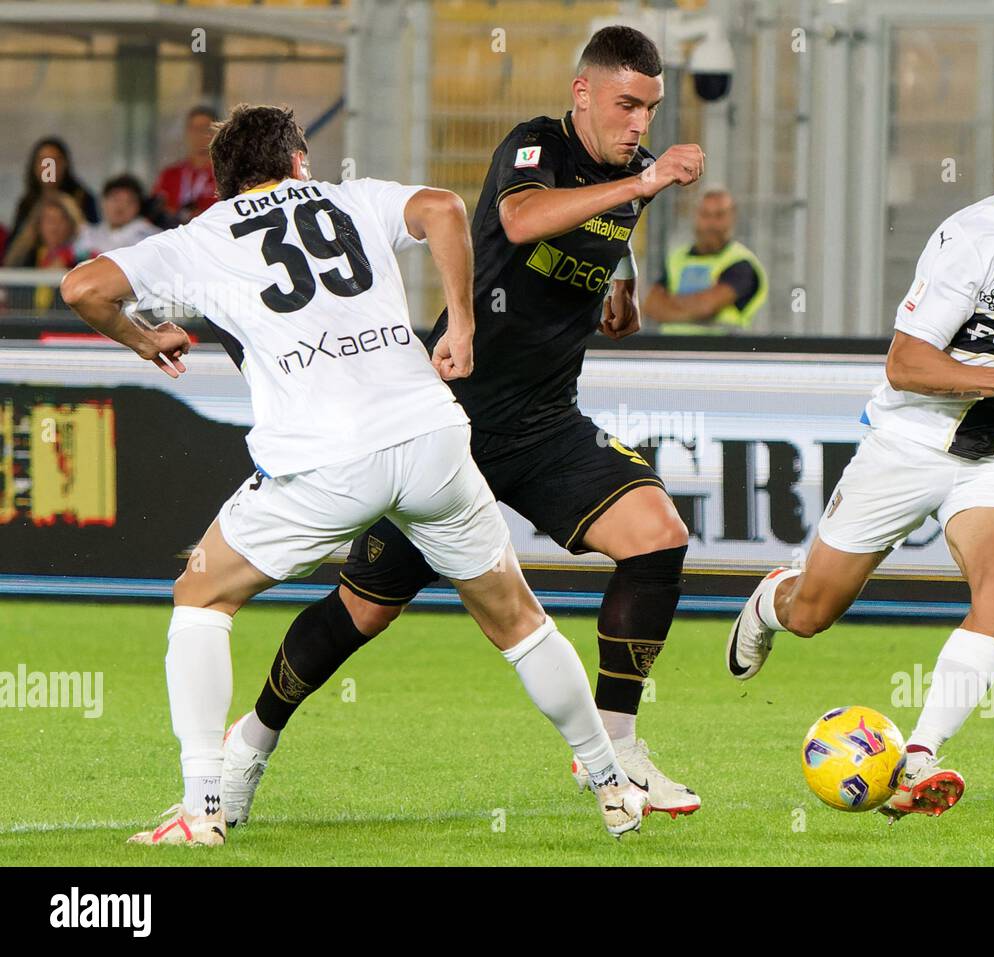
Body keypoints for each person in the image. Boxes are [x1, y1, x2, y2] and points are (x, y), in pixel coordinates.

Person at [59, 103, 647, 846]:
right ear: (299, 160)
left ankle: (201, 805)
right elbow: (441, 208)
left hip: (328, 458)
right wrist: (460, 325)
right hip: (433, 436)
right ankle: (611, 784)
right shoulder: (348, 197)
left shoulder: (200, 237)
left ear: (222, 182)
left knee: (200, 593)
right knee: (517, 618)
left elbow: (83, 288)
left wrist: (142, 339)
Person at [220, 25, 707, 825]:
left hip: (547, 423)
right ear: (582, 91)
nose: (638, 124)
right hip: (452, 423)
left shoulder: (623, 172)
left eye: (650, 109)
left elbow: (596, 231)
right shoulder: (534, 147)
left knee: (656, 537)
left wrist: (620, 282)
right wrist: (646, 182)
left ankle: (621, 746)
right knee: (363, 609)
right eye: (626, 104)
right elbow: (520, 222)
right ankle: (249, 745)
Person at [726, 86, 994, 821]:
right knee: (815, 612)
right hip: (911, 442)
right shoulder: (971, 238)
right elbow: (904, 362)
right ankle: (770, 599)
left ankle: (918, 757)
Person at [644, 188, 767, 334]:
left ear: (732, 218)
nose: (711, 223)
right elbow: (651, 306)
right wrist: (695, 308)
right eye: (705, 215)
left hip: (720, 352)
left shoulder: (741, 263)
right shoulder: (676, 258)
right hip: (674, 353)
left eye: (719, 215)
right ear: (695, 216)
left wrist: (669, 306)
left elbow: (705, 307)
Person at [9, 136, 99, 239]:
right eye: (43, 161)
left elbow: (95, 240)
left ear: (65, 164)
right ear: (34, 166)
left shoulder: (83, 198)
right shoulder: (27, 203)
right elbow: (13, 247)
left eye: (54, 161)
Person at [152, 105, 220, 224]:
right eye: (194, 128)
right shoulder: (170, 174)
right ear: (187, 132)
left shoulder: (225, 175)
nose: (200, 134)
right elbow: (155, 210)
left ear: (217, 132)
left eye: (206, 128)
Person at [75, 174, 161, 257]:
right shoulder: (89, 233)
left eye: (129, 202)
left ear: (138, 207)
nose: (120, 206)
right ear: (103, 202)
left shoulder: (150, 237)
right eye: (115, 199)